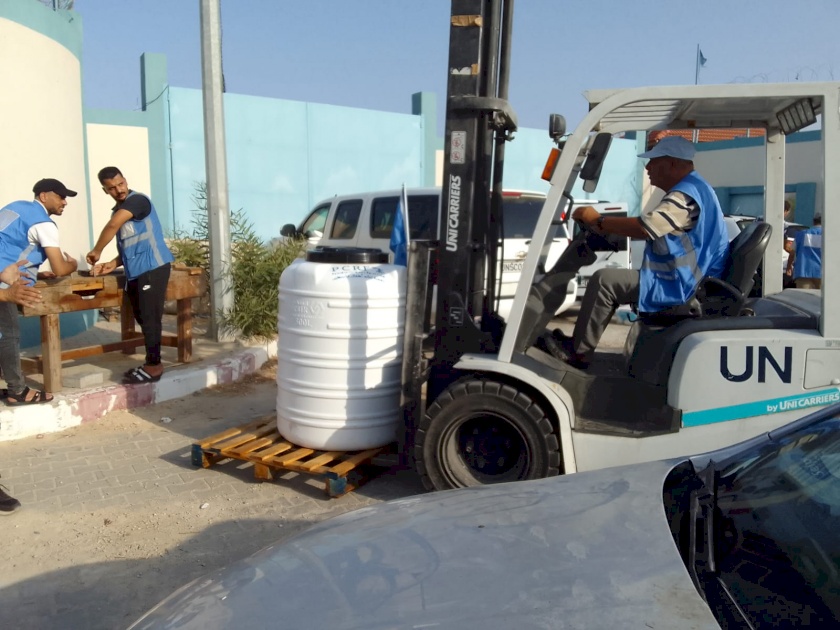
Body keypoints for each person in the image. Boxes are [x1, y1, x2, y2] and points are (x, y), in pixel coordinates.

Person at [558, 136, 729, 369]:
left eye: (653, 162)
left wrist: (599, 221)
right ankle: (581, 348)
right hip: (685, 281)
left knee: (605, 281)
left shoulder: (686, 195)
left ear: (672, 163)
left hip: (684, 286)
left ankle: (578, 353)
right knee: (610, 279)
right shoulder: (695, 189)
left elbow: (646, 227)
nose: (648, 168)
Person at [86, 167, 174, 384]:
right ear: (105, 190)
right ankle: (150, 362)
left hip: (153, 267)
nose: (118, 190)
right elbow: (132, 244)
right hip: (136, 272)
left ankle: (154, 366)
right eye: (112, 188)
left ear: (125, 181)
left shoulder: (137, 201)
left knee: (150, 318)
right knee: (142, 317)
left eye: (120, 184)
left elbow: (113, 225)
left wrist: (97, 250)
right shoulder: (119, 209)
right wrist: (113, 263)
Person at [0, 179, 77, 405]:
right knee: (9, 334)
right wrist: (72, 265)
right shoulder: (44, 223)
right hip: (7, 282)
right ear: (44, 196)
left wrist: (35, 272)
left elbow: (10, 244)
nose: (65, 202)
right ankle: (17, 391)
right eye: (61, 197)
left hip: (5, 274)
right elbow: (60, 268)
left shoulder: (15, 207)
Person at [787, 213, 822, 289]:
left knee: (803, 295)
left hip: (803, 271)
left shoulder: (801, 234)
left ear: (813, 222)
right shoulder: (828, 235)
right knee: (823, 296)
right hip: (822, 273)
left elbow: (792, 253)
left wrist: (789, 266)